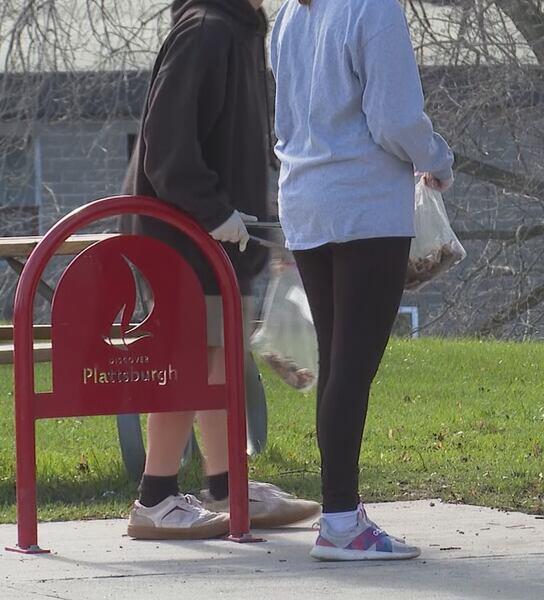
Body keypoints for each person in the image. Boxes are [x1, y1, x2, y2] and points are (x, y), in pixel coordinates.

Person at [122, 0, 320, 540]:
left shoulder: (239, 30)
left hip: (217, 234)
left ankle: (227, 484)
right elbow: (167, 145)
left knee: (219, 355)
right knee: (192, 356)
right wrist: (214, 211)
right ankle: (155, 498)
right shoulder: (207, 31)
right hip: (181, 237)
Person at [270, 0, 454, 560]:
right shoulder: (372, 7)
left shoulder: (289, 15)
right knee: (352, 369)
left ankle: (341, 513)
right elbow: (395, 117)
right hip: (365, 206)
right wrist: (438, 159)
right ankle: (342, 520)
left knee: (337, 363)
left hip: (305, 204)